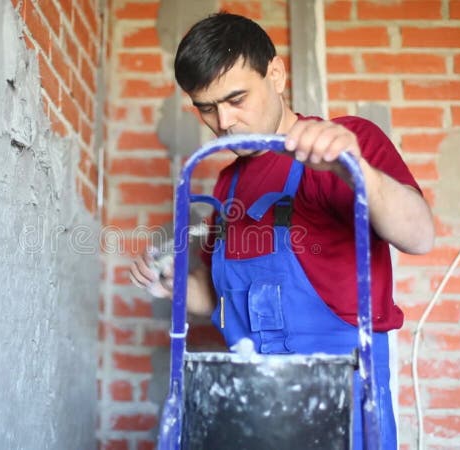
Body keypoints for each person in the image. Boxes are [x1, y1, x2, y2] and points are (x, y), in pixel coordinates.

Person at [129, 12, 434, 448]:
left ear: (276, 74)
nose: (224, 122)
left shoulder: (346, 142)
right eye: (207, 108)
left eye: (237, 99)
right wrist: (174, 285)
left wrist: (356, 171)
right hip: (248, 400)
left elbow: (420, 236)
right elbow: (219, 301)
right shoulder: (225, 183)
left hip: (343, 396)